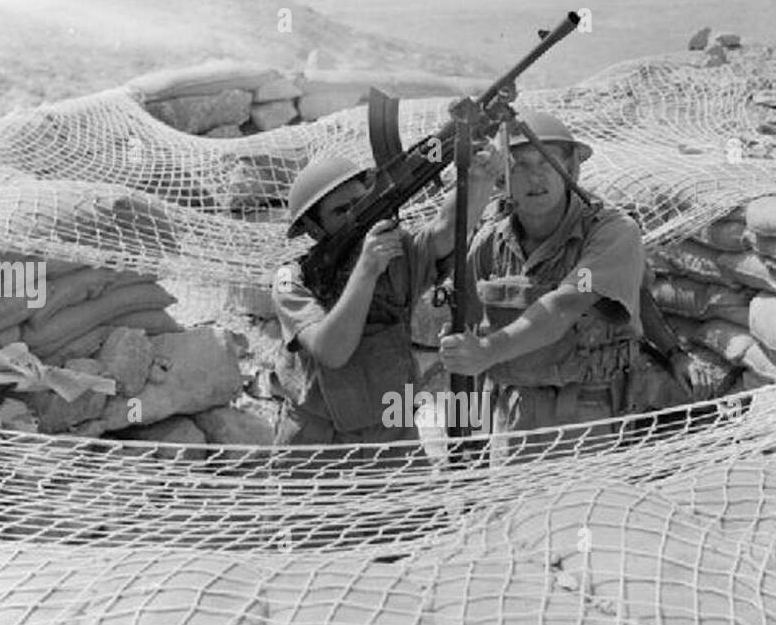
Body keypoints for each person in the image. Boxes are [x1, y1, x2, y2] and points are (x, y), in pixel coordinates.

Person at [438, 111, 710, 460]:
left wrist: (674, 353)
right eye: (520, 165)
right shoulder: (490, 243)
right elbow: (466, 337)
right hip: (511, 415)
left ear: (572, 170)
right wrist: (463, 444)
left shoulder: (609, 233)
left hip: (589, 415)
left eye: (547, 163)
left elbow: (566, 304)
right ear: (503, 177)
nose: (535, 177)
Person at [271, 150, 496, 454]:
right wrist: (366, 270)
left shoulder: (398, 254)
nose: (358, 217)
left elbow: (446, 230)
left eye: (362, 204)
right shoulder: (294, 280)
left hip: (396, 424)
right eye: (342, 211)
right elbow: (332, 351)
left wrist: (480, 177)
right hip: (321, 441)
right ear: (314, 228)